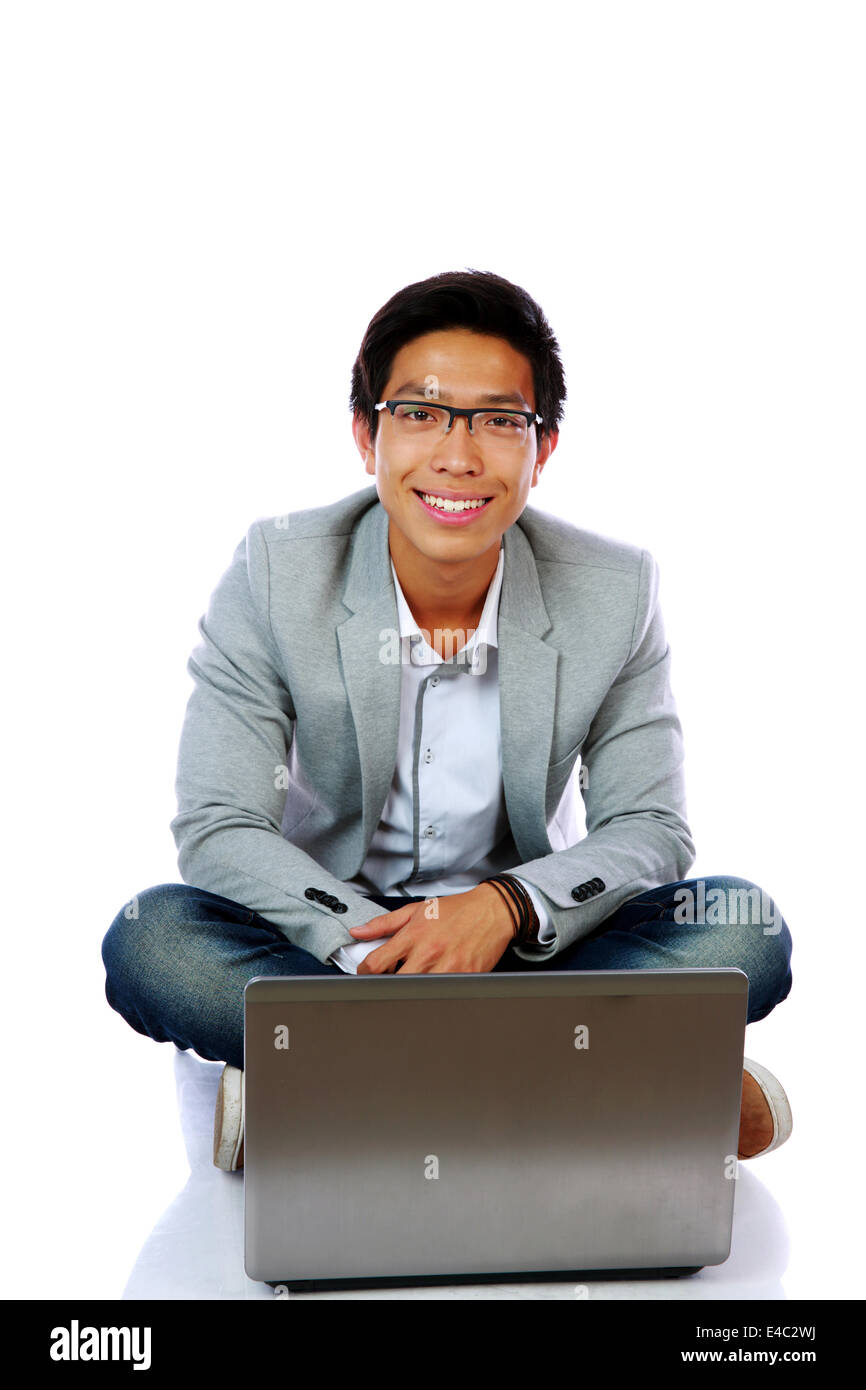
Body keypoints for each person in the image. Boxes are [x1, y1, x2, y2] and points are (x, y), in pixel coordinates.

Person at [102, 269, 793, 1172]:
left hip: (531, 946)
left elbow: (649, 828)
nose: (458, 457)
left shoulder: (615, 591)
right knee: (154, 940)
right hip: (332, 944)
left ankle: (325, 1090)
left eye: (500, 421)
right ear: (367, 434)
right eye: (421, 414)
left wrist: (504, 905)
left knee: (747, 929)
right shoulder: (276, 572)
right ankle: (600, 1091)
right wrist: (377, 958)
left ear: (540, 451)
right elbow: (221, 824)